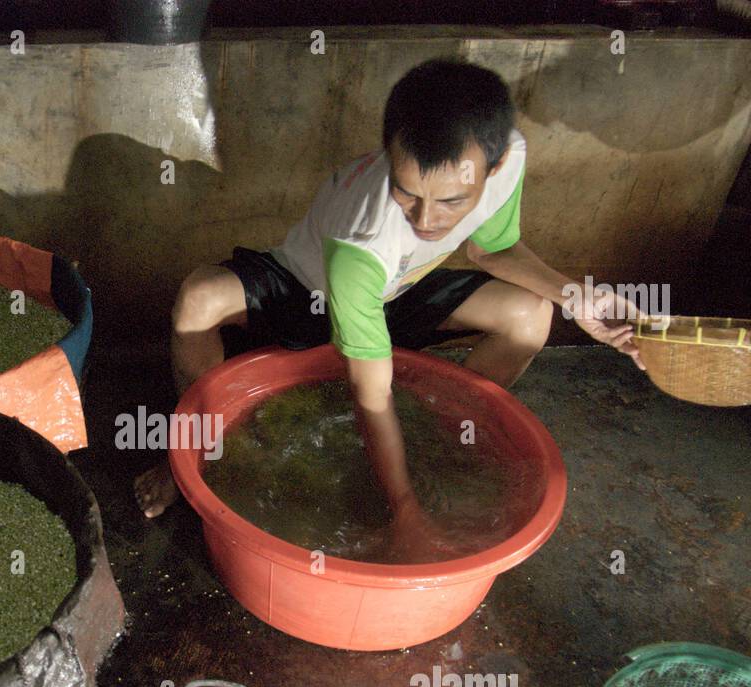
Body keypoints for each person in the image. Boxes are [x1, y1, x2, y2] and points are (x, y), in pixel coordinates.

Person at [134, 58, 643, 548]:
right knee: (199, 299)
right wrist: (407, 514)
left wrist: (579, 298)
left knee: (532, 315)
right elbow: (370, 392)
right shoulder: (364, 234)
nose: (426, 220)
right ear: (388, 157)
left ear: (497, 163)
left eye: (451, 202)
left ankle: (439, 443)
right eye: (408, 194)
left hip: (397, 291)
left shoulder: (510, 154)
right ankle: (190, 453)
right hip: (304, 291)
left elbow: (490, 248)